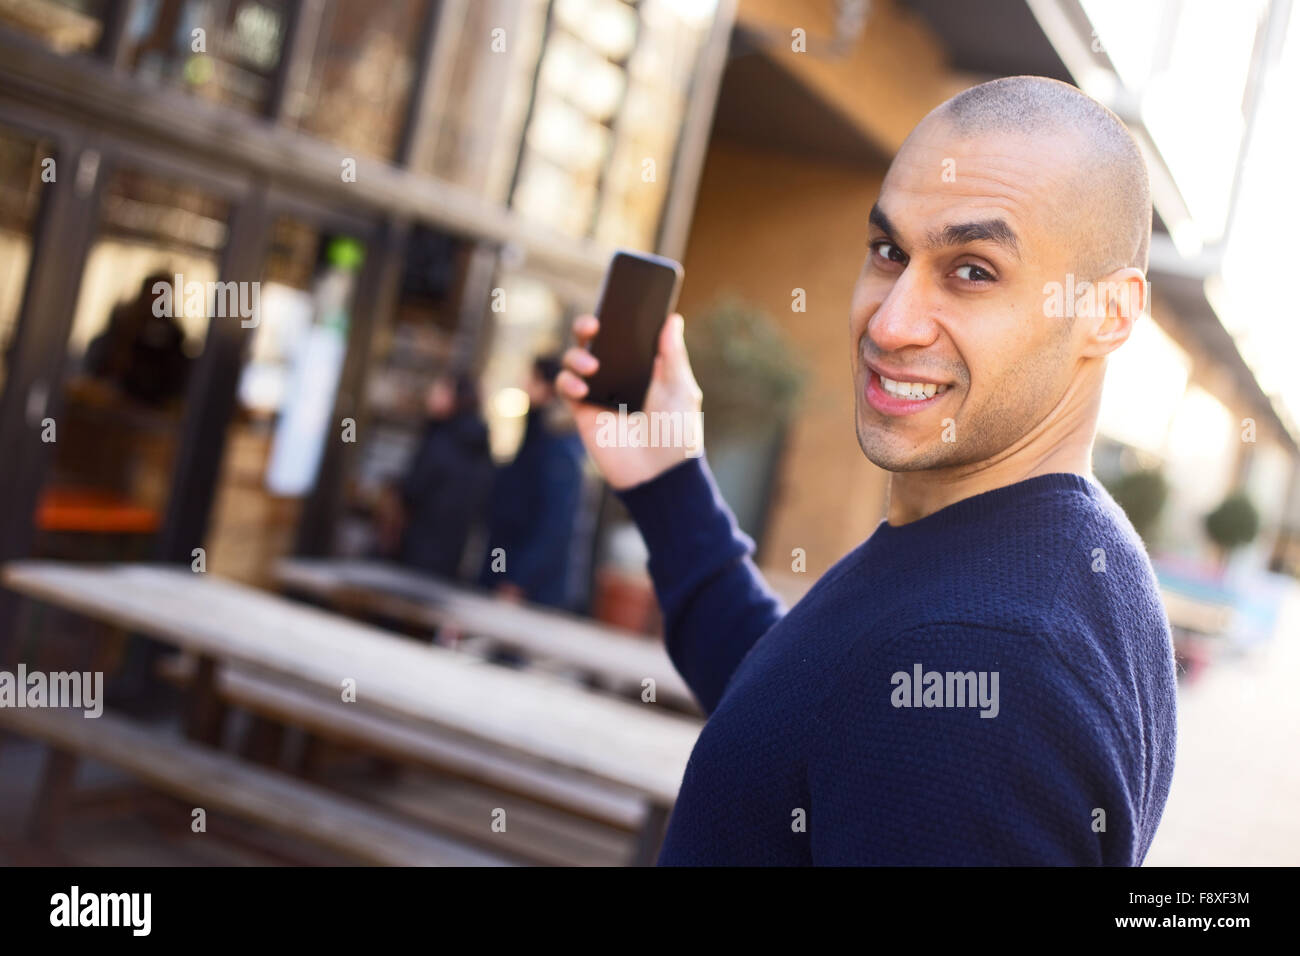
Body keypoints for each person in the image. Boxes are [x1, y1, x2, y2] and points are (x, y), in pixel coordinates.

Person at [557, 76, 1176, 865]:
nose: (890, 323)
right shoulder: (1046, 553)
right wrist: (669, 482)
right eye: (889, 252)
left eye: (973, 270)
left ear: (1110, 313)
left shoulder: (987, 657)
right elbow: (803, 718)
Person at [479, 355, 590, 612]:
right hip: (503, 569)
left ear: (546, 387)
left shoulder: (557, 446)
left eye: (531, 378)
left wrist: (518, 580)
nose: (523, 384)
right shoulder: (535, 433)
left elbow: (555, 523)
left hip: (527, 591)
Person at [397, 372, 494, 580]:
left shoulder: (440, 439)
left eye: (439, 391)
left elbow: (413, 490)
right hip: (455, 553)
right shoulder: (480, 445)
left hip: (420, 545)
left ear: (454, 398)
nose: (432, 396)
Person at [85, 272, 191, 407]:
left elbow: (175, 373)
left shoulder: (173, 332)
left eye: (165, 293)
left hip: (152, 404)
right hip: (114, 398)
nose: (159, 298)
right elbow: (104, 363)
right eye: (156, 291)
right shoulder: (124, 323)